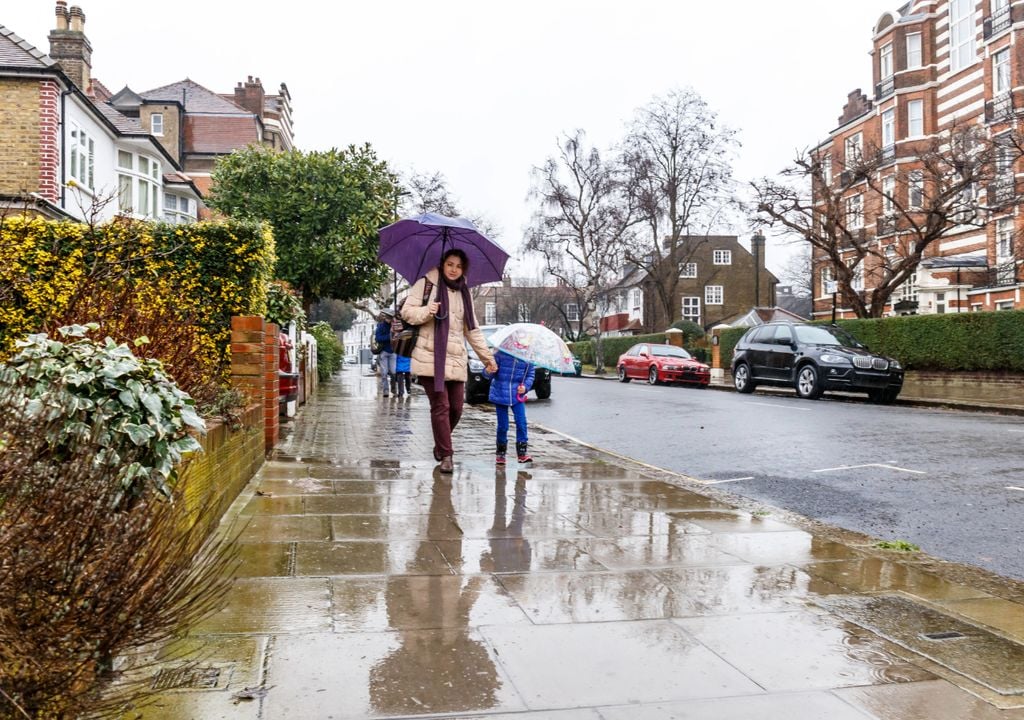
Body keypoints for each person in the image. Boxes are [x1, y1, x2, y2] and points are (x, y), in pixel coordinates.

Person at [401, 248, 496, 473]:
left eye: (459, 266)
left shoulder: (465, 292)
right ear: (442, 264)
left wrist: (487, 358)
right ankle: (447, 456)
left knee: (456, 408)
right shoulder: (426, 283)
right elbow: (407, 312)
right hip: (429, 357)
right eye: (450, 264)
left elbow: (472, 330)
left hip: (455, 359)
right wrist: (427, 311)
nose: (453, 269)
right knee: (441, 406)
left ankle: (440, 445)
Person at [485, 349, 535, 464]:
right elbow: (488, 374)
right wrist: (489, 370)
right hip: (500, 393)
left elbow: (530, 375)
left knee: (521, 422)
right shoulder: (500, 355)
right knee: (503, 425)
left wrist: (525, 387)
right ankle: (501, 453)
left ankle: (522, 453)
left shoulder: (528, 357)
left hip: (517, 395)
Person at [373, 308, 397, 398]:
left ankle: (394, 389)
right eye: (389, 318)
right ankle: (386, 391)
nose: (390, 319)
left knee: (393, 372)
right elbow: (378, 338)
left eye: (391, 318)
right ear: (386, 318)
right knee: (384, 373)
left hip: (393, 351)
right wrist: (389, 336)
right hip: (384, 351)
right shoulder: (381, 326)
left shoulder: (394, 326)